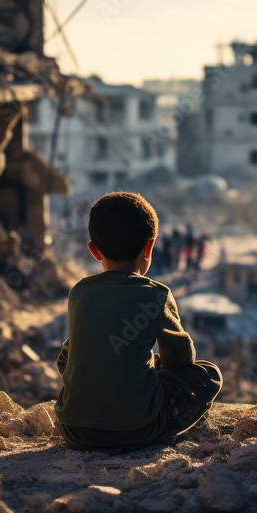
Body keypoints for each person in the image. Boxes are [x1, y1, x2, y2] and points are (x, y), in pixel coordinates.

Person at [55, 192, 223, 453]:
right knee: (209, 375)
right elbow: (181, 359)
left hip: (74, 431)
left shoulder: (79, 292)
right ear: (149, 247)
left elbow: (67, 359)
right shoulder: (156, 295)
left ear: (94, 250)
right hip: (136, 431)